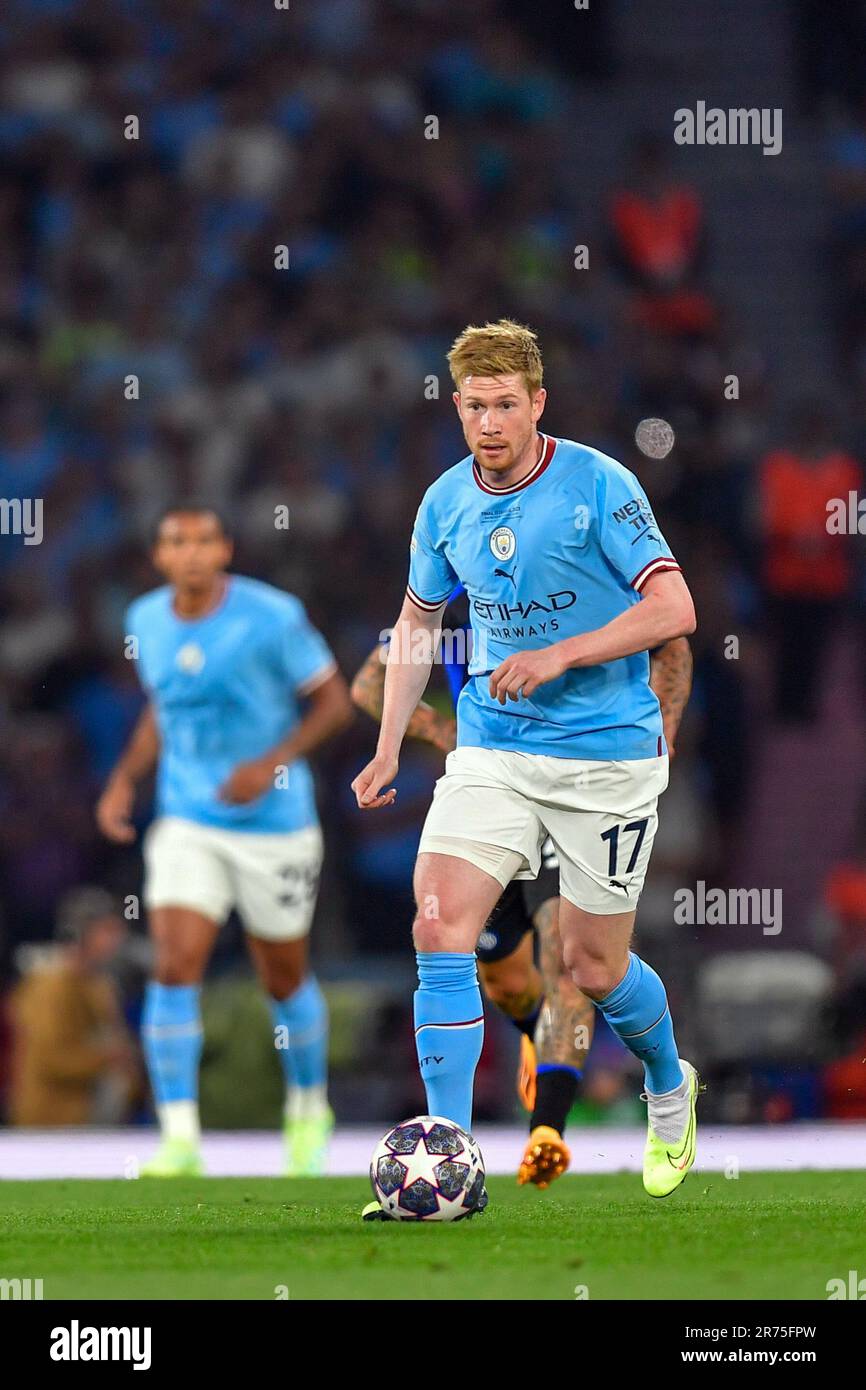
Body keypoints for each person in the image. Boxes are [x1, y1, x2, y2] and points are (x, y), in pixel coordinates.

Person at [352, 319, 699, 1208]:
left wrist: (564, 653)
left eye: (507, 404)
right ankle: (447, 1157)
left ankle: (669, 1083)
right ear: (457, 408)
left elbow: (674, 607)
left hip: (604, 757)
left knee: (591, 969)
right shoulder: (444, 503)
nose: (490, 423)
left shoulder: (598, 482)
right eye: (475, 406)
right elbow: (418, 623)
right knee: (438, 922)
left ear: (537, 403)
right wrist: (392, 740)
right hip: (494, 750)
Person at [351, 589, 692, 1187]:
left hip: (586, 779)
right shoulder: (457, 597)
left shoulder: (586, 577)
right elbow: (369, 681)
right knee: (489, 969)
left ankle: (570, 1118)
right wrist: (438, 729)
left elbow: (672, 640)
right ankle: (464, 1136)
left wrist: (662, 725)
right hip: (495, 780)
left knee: (583, 963)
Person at [96, 505, 352, 1176]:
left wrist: (271, 763)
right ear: (158, 555)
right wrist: (125, 778)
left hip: (276, 827)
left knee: (282, 975)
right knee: (175, 963)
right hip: (188, 818)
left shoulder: (273, 616)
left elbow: (335, 702)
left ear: (226, 549)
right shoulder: (144, 620)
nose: (191, 553)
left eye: (204, 540)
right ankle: (179, 1137)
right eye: (176, 541)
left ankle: (307, 1108)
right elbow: (164, 707)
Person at [9, 887, 137, 1126]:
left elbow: (115, 1044)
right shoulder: (49, 985)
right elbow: (52, 1058)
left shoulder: (99, 985)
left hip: (93, 1117)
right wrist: (109, 1059)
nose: (118, 938)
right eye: (107, 930)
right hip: (49, 1120)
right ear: (79, 932)